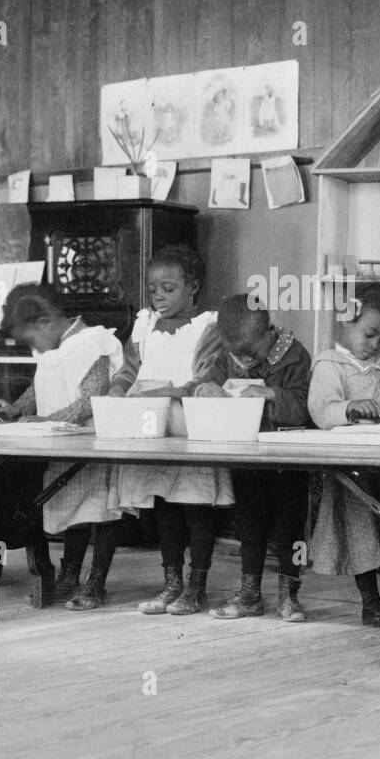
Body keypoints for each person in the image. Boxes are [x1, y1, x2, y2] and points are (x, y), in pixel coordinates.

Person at [0, 284, 125, 610]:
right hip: (62, 444)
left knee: (102, 511)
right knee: (73, 507)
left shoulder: (93, 343)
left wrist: (45, 419)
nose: (32, 346)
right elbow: (41, 384)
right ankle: (70, 575)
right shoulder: (51, 348)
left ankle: (97, 582)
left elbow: (92, 399)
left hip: (94, 442)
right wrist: (16, 408)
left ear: (46, 322)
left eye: (30, 339)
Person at [108, 245, 230, 616]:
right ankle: (172, 582)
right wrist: (117, 389)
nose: (158, 295)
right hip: (151, 430)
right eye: (153, 289)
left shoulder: (208, 328)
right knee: (163, 507)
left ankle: (197, 586)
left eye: (168, 288)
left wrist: (169, 391)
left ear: (192, 286)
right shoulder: (145, 326)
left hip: (190, 429)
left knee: (194, 508)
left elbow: (211, 378)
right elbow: (129, 371)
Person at [307, 282, 380, 630]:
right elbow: (321, 410)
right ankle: (370, 603)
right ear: (346, 321)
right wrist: (351, 409)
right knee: (361, 534)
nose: (375, 345)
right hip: (354, 470)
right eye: (369, 334)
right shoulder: (330, 364)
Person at [196, 294, 312, 622]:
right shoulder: (229, 356)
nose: (243, 359)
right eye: (236, 353)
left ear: (269, 334)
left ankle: (290, 595)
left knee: (290, 530)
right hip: (247, 457)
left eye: (249, 351)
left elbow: (307, 405)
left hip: (288, 460)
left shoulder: (295, 355)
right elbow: (206, 383)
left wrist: (273, 395)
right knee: (249, 526)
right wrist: (209, 390)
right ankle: (249, 595)